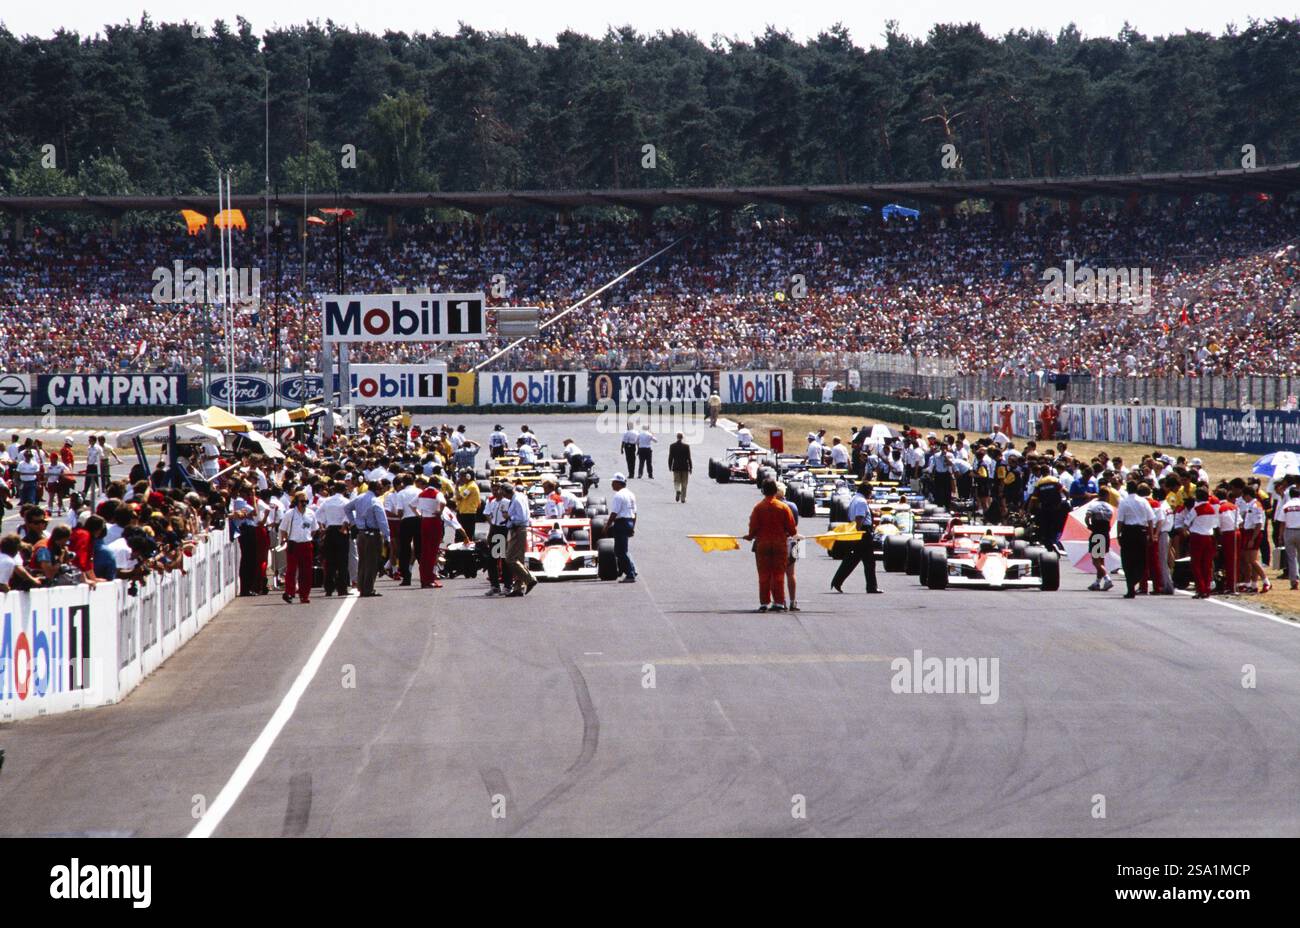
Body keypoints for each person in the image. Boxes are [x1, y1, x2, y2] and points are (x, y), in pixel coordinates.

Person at [744, 479, 797, 612]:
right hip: (780, 544)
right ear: (775, 491)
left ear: (763, 491)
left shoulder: (758, 507)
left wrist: (749, 537)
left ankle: (764, 603)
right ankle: (779, 602)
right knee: (778, 573)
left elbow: (753, 527)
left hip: (763, 545)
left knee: (764, 574)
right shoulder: (783, 507)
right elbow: (792, 530)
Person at [830, 481, 882, 594]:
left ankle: (837, 581)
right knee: (869, 562)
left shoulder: (855, 498)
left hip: (859, 532)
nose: (871, 494)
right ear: (867, 491)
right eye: (870, 492)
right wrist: (857, 534)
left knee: (852, 559)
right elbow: (859, 518)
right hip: (862, 533)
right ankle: (871, 587)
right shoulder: (862, 501)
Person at [345, 481, 391, 597]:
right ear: (377, 489)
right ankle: (368, 589)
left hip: (361, 533)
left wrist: (354, 523)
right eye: (380, 489)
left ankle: (361, 587)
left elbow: (347, 508)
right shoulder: (376, 501)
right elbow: (382, 521)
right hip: (373, 534)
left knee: (363, 561)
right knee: (372, 562)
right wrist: (387, 536)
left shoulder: (359, 498)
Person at [279, 492, 318, 604]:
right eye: (302, 501)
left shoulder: (311, 513)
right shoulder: (290, 514)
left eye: (306, 501)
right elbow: (283, 528)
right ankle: (289, 592)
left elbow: (314, 528)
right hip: (293, 544)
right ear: (296, 501)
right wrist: (284, 539)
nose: (304, 504)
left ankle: (304, 595)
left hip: (306, 544)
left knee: (306, 571)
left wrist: (308, 537)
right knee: (291, 570)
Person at [499, 483, 537, 597]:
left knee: (510, 558)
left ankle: (529, 579)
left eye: (503, 493)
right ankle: (518, 588)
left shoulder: (517, 500)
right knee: (518, 560)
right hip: (517, 529)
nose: (502, 495)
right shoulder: (519, 497)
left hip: (518, 529)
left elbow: (522, 517)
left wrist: (509, 517)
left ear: (506, 492)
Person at [315, 481, 352, 597]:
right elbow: (350, 515)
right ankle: (342, 588)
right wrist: (345, 525)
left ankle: (329, 588)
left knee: (330, 561)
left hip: (330, 530)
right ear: (344, 490)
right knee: (342, 561)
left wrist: (322, 526)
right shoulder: (346, 501)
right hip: (341, 530)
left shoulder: (327, 501)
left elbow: (318, 515)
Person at [1187, 488, 1220, 599]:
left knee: (1196, 564)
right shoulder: (1212, 509)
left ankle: (1200, 588)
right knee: (1207, 564)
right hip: (1209, 536)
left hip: (1197, 536)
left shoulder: (1196, 509)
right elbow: (1215, 524)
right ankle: (1207, 588)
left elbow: (1187, 522)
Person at [774, 483, 802, 611]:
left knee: (777, 573)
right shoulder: (793, 505)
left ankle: (781, 601)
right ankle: (793, 601)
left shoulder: (774, 506)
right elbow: (795, 524)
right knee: (791, 573)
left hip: (779, 540)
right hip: (794, 539)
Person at [415, 475, 445, 589]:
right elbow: (443, 502)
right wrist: (439, 512)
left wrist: (419, 514)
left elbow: (412, 504)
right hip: (433, 521)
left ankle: (424, 579)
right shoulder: (437, 493)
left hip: (424, 521)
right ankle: (430, 579)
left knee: (424, 551)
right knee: (432, 551)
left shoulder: (422, 493)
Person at [608, 472, 638, 582]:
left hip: (621, 523)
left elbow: (614, 513)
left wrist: (607, 526)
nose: (612, 484)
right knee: (622, 550)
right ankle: (632, 570)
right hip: (629, 521)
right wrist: (633, 527)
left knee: (620, 551)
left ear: (618, 483)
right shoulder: (631, 494)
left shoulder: (618, 495)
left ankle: (630, 574)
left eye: (613, 482)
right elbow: (635, 513)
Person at [1083, 497, 1114, 591]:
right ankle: (1097, 583)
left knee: (1095, 561)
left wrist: (1089, 525)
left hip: (1096, 534)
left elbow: (1087, 517)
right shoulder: (1109, 507)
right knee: (1101, 559)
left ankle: (1107, 579)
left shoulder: (1093, 505)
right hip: (1105, 533)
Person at [1280, 486, 1300, 591]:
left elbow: (1282, 522)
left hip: (1289, 530)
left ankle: (1294, 580)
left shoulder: (1286, 506)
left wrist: (1280, 536)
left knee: (1292, 558)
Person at [454, 469, 482, 541]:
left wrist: (456, 486)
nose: (461, 478)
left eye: (463, 476)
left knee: (467, 534)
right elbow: (457, 496)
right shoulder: (466, 486)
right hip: (462, 513)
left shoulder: (471, 487)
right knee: (459, 535)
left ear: (468, 477)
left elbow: (459, 497)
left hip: (468, 514)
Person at [668, 432, 692, 503]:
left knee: (676, 481)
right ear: (682, 438)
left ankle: (678, 490)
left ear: (677, 437)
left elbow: (670, 457)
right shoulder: (686, 446)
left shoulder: (672, 446)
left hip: (676, 466)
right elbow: (689, 458)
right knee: (684, 483)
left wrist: (670, 466)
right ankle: (683, 498)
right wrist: (691, 467)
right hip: (684, 466)